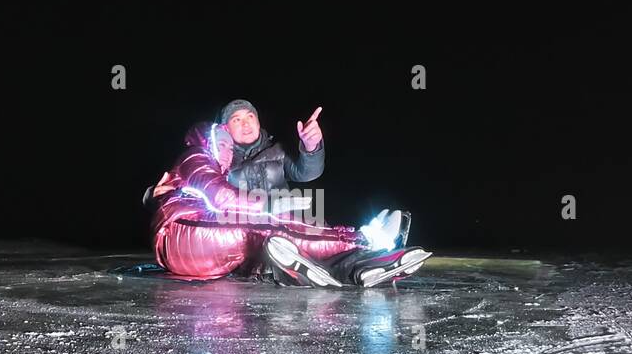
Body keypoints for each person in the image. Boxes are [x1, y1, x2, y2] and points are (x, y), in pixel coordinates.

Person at [149, 122, 431, 287]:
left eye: (229, 147)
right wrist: (272, 204)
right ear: (209, 142)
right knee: (268, 227)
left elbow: (305, 171)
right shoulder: (197, 157)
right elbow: (221, 197)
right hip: (186, 235)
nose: (226, 152)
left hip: (203, 244)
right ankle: (365, 239)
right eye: (220, 145)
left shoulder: (272, 151)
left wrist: (311, 147)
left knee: (276, 234)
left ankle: (357, 267)